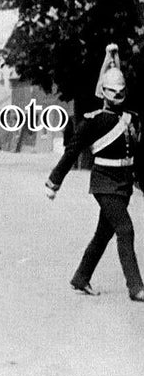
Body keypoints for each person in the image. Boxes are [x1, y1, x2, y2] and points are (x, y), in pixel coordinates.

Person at [46, 45, 144, 302]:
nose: (119, 96)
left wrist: (113, 61)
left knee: (104, 233)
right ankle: (135, 287)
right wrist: (54, 181)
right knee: (126, 229)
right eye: (114, 92)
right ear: (104, 93)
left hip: (123, 183)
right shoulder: (93, 121)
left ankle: (81, 277)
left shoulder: (130, 118)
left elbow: (137, 156)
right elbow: (71, 151)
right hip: (104, 183)